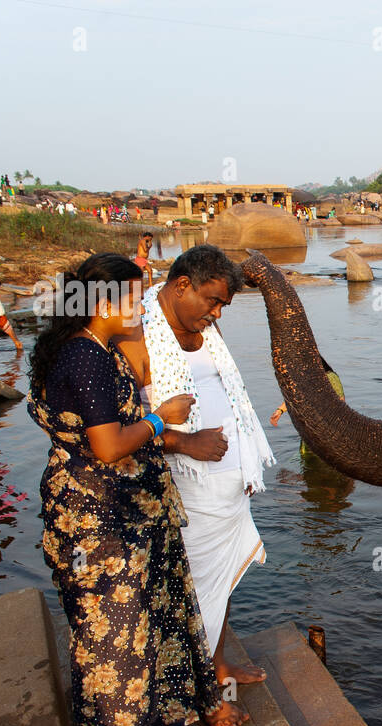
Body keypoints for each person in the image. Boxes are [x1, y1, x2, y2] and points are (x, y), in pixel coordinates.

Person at [28, 252, 248, 726]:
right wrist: (159, 419)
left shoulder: (74, 347)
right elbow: (107, 446)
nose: (140, 304)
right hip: (103, 517)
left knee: (132, 620)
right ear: (102, 302)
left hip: (117, 509)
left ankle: (144, 717)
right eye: (132, 295)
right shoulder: (87, 357)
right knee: (115, 626)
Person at [113, 245, 271, 687]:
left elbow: (228, 394)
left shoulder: (203, 330)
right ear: (181, 285)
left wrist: (244, 463)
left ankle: (216, 665)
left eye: (224, 305)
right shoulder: (135, 332)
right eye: (213, 300)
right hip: (182, 487)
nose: (217, 313)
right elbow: (115, 431)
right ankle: (193, 685)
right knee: (191, 588)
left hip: (228, 486)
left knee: (220, 583)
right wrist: (183, 442)